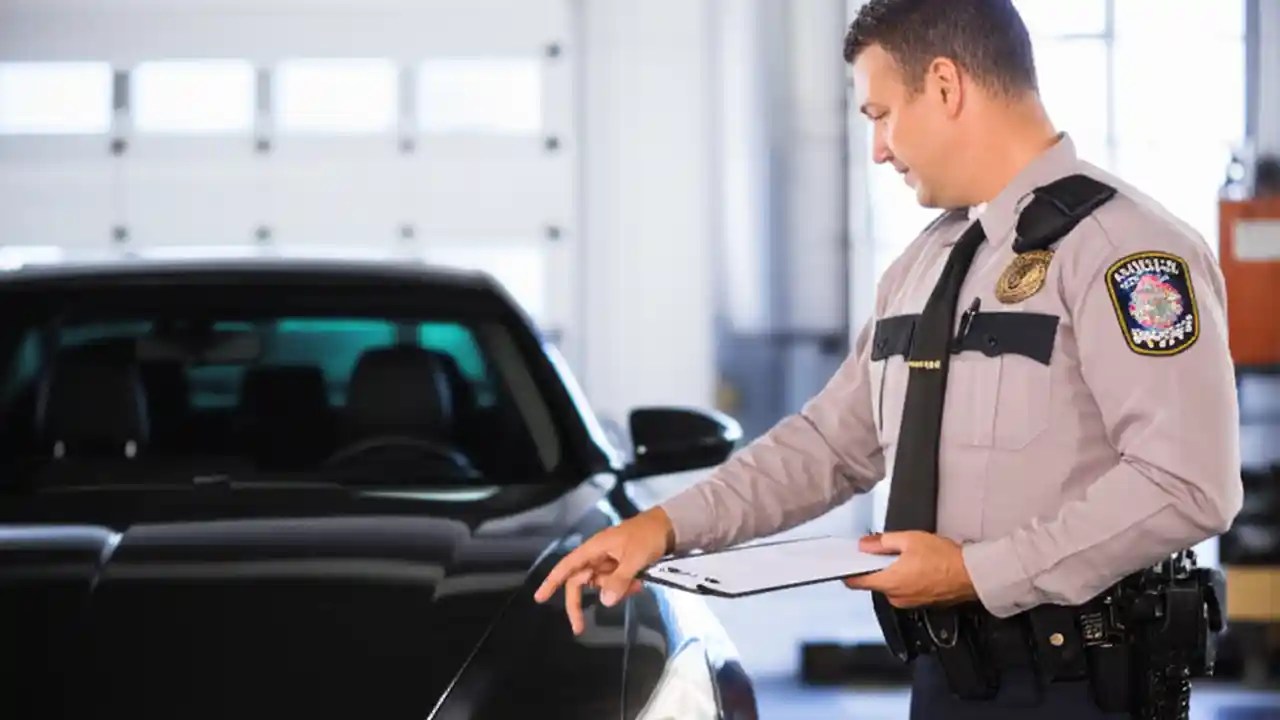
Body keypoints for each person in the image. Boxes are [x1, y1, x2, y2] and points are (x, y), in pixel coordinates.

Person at [534, 0, 1243, 717]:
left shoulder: (1127, 254)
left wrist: (976, 572)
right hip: (946, 679)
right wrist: (661, 528)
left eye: (880, 115)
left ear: (944, 85)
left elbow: (1186, 483)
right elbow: (829, 444)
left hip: (1080, 689)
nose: (877, 149)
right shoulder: (925, 265)